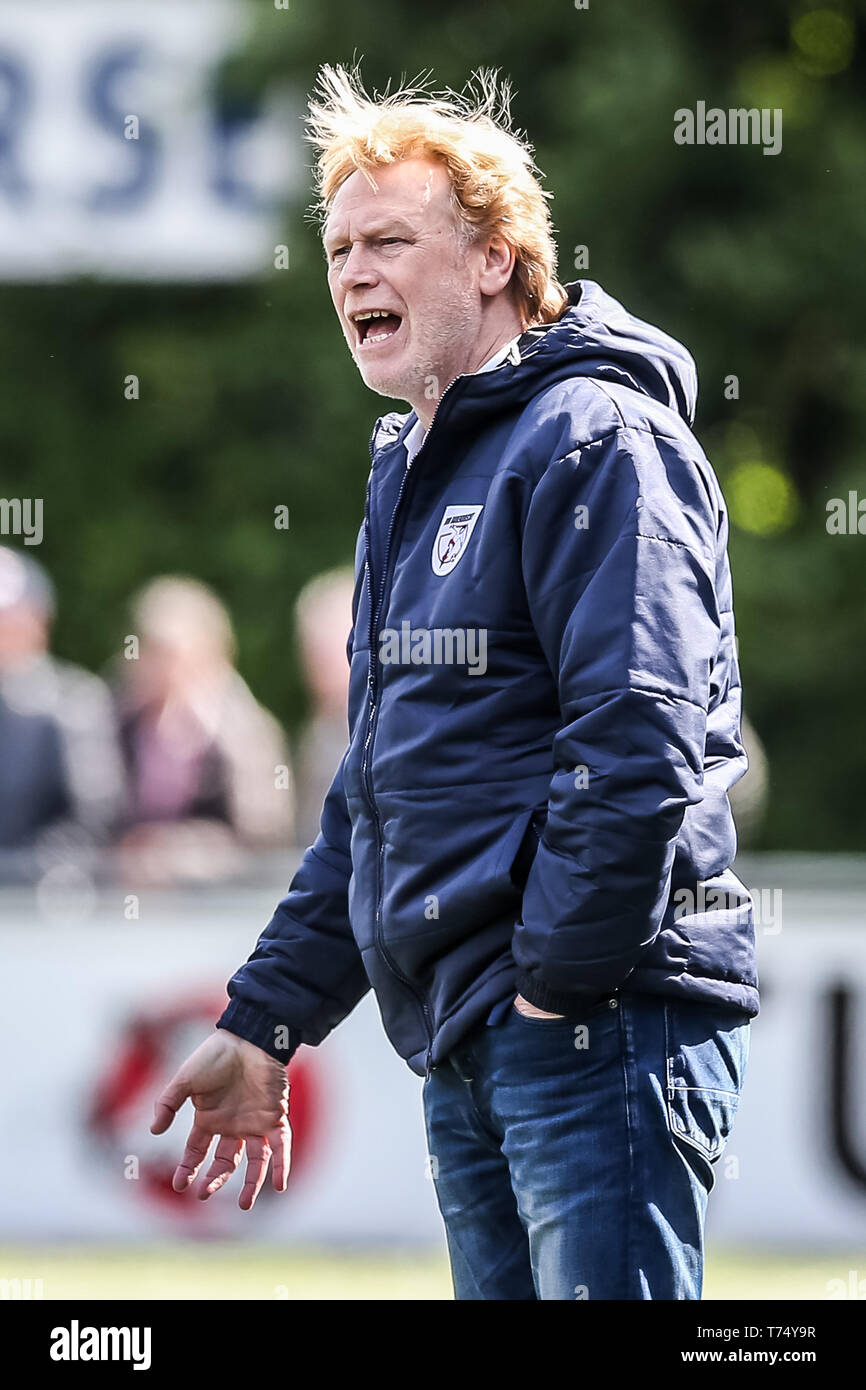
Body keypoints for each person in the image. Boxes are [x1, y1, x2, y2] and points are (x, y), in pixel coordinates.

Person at [152, 66, 758, 1300]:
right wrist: (266, 1019)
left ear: (496, 259)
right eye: (336, 249)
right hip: (485, 1037)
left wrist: (552, 992)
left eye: (390, 240)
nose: (353, 274)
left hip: (587, 1027)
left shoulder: (596, 435)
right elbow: (375, 798)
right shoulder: (410, 468)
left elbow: (637, 745)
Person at [113, 575, 294, 886]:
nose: (164, 671)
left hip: (217, 905)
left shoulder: (248, 732)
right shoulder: (119, 721)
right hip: (129, 903)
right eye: (153, 654)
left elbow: (265, 832)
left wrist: (174, 853)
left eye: (175, 656)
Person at [0, 546, 125, 879]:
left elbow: (93, 820)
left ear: (38, 621)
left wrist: (20, 874)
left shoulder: (74, 702)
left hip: (38, 911)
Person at [291, 567, 355, 851]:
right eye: (310, 645)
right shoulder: (316, 732)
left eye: (327, 645)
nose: (317, 660)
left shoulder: (383, 730)